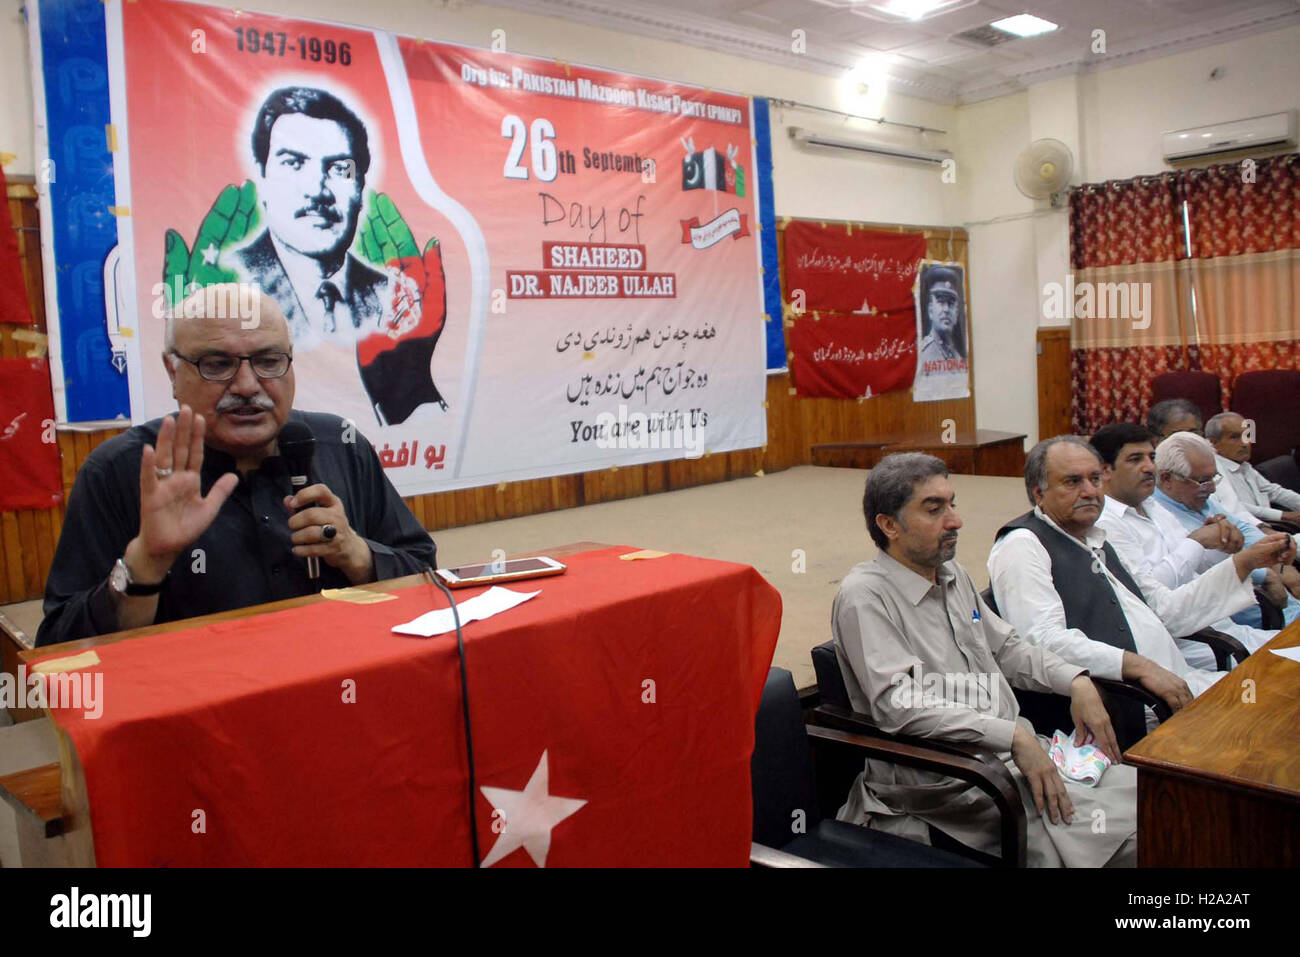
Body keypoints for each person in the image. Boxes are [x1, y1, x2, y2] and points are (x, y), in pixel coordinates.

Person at [35, 285, 436, 647]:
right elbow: (60, 647)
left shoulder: (340, 446)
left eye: (268, 360)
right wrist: (144, 565)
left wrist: (358, 554)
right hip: (195, 713)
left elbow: (428, 578)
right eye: (217, 364)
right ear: (172, 371)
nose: (247, 385)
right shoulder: (119, 471)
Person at [832, 452, 1137, 867]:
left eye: (952, 503)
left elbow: (1008, 649)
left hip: (1015, 755)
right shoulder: (864, 596)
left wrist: (1076, 681)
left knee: (1155, 794)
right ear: (889, 525)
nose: (955, 520)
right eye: (934, 508)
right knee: (1136, 839)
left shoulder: (951, 574)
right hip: (958, 782)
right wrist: (1010, 735)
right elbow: (896, 706)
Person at [986, 436, 1282, 739]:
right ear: (1039, 493)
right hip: (1136, 706)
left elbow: (1165, 611)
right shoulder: (1022, 546)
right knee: (1273, 719)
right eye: (1072, 482)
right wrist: (1136, 665)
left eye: (1094, 479)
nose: (1089, 491)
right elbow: (1040, 641)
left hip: (1179, 682)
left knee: (1279, 690)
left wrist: (1244, 563)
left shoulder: (1096, 537)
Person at [229, 86, 445, 426]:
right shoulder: (230, 285)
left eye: (338, 169)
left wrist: (410, 383)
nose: (317, 190)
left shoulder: (390, 297)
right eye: (294, 163)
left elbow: (422, 428)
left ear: (360, 189)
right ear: (262, 176)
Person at [1090, 423, 1277, 671]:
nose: (1149, 467)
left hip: (1223, 626)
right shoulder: (1105, 525)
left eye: (1151, 457)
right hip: (1191, 645)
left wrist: (1224, 543)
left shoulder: (1153, 507)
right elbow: (1150, 594)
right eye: (1135, 459)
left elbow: (1198, 565)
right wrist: (1198, 541)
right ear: (1105, 471)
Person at [1151, 431, 1300, 624]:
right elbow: (1205, 566)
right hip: (1246, 614)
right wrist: (1265, 573)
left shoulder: (1196, 498)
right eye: (1203, 481)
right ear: (1167, 479)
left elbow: (1244, 529)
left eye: (1213, 478)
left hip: (1279, 605)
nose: (1212, 489)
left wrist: (1275, 552)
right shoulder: (1159, 515)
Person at [1206, 411, 1300, 527]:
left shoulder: (1244, 465)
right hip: (1246, 531)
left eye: (1247, 435)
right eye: (1234, 437)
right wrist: (1284, 515)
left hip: (1270, 528)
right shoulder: (1212, 470)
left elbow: (1274, 492)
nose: (1246, 443)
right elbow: (1236, 506)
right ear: (1214, 443)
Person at [917, 265, 966, 366]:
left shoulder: (958, 356)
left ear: (956, 314)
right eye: (941, 302)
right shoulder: (924, 353)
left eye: (951, 304)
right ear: (930, 310)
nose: (946, 309)